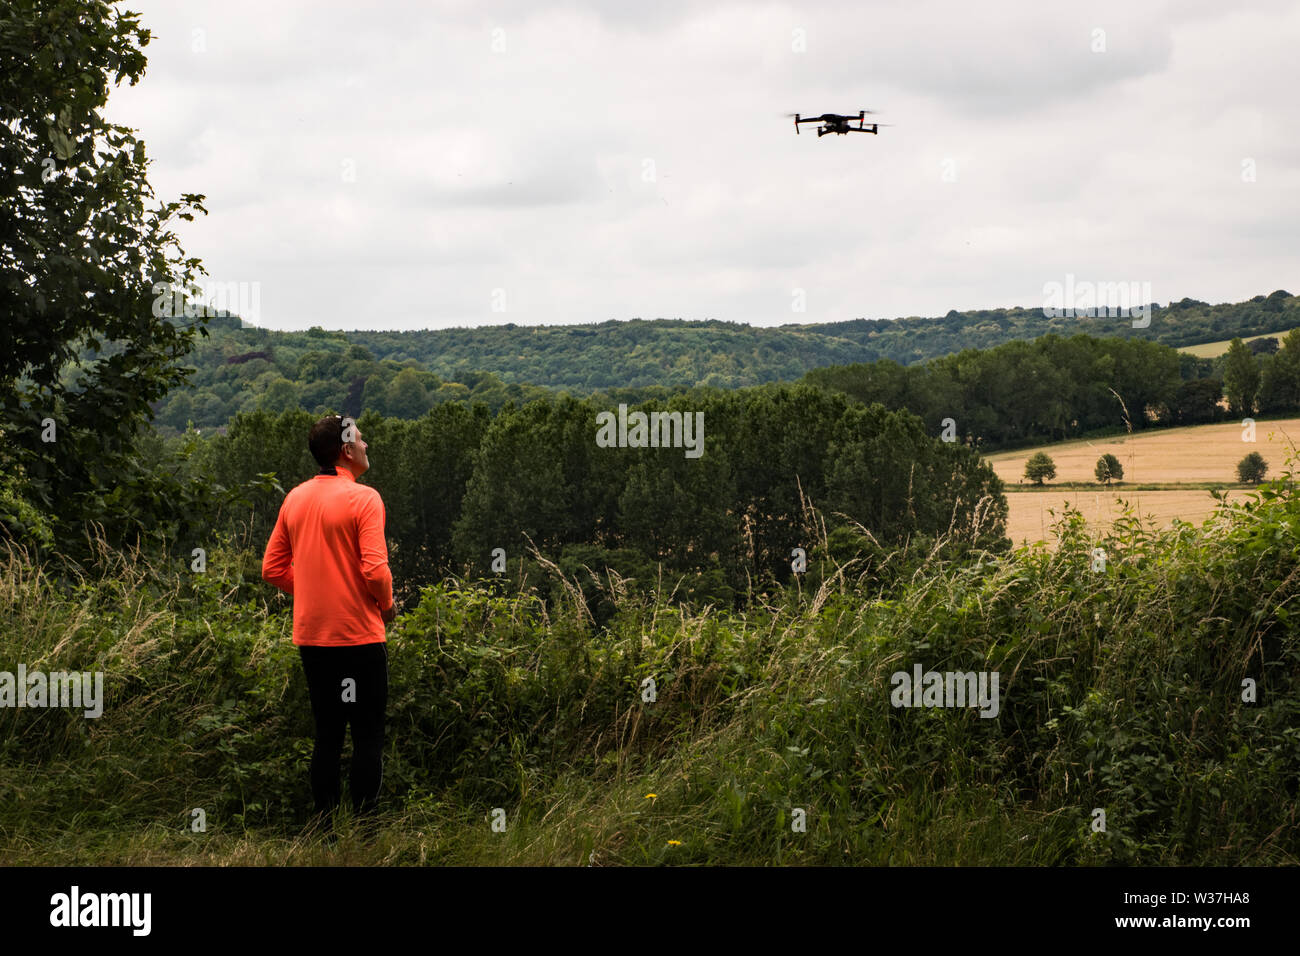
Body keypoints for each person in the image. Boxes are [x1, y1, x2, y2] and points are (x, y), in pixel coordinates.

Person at [261, 414, 397, 833]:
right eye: (360, 437)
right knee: (368, 737)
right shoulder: (365, 498)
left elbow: (272, 568)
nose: (367, 443)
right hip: (359, 635)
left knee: (328, 735)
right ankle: (366, 833)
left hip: (314, 638)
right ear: (346, 450)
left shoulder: (295, 499)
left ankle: (323, 832)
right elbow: (375, 571)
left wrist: (316, 590)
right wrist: (387, 607)